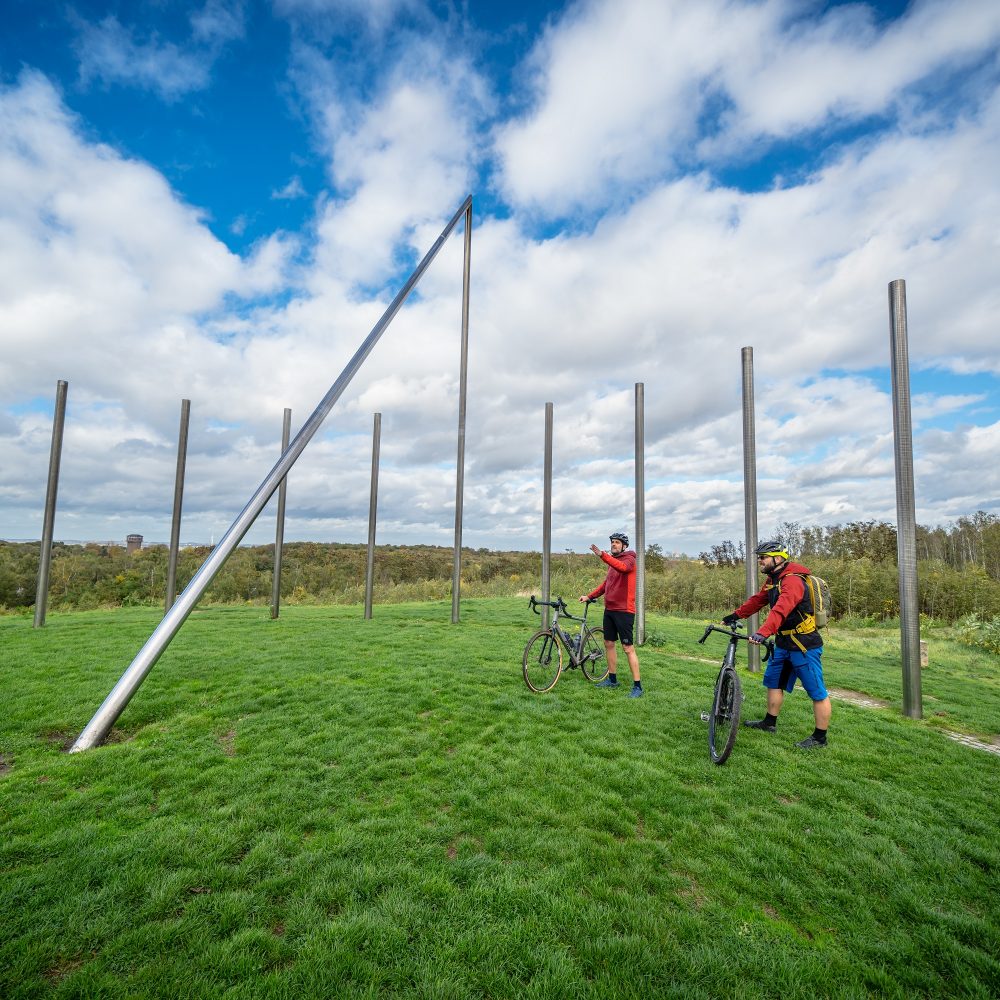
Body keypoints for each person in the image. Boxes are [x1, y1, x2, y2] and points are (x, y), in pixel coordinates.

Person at [722, 540, 831, 749]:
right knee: (774, 683)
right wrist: (736, 615)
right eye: (759, 558)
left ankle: (820, 738)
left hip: (803, 644)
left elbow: (781, 609)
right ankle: (769, 723)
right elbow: (759, 600)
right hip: (783, 642)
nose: (760, 561)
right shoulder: (774, 579)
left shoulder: (792, 581)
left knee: (816, 691)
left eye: (763, 557)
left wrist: (763, 632)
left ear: (778, 558)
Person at [580, 531, 643, 698]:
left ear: (624, 546)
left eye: (617, 542)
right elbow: (606, 584)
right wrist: (590, 596)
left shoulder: (630, 560)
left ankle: (638, 686)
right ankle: (612, 680)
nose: (614, 544)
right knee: (609, 643)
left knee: (628, 648)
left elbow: (622, 568)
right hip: (610, 610)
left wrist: (602, 555)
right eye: (612, 542)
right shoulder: (612, 563)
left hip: (624, 611)